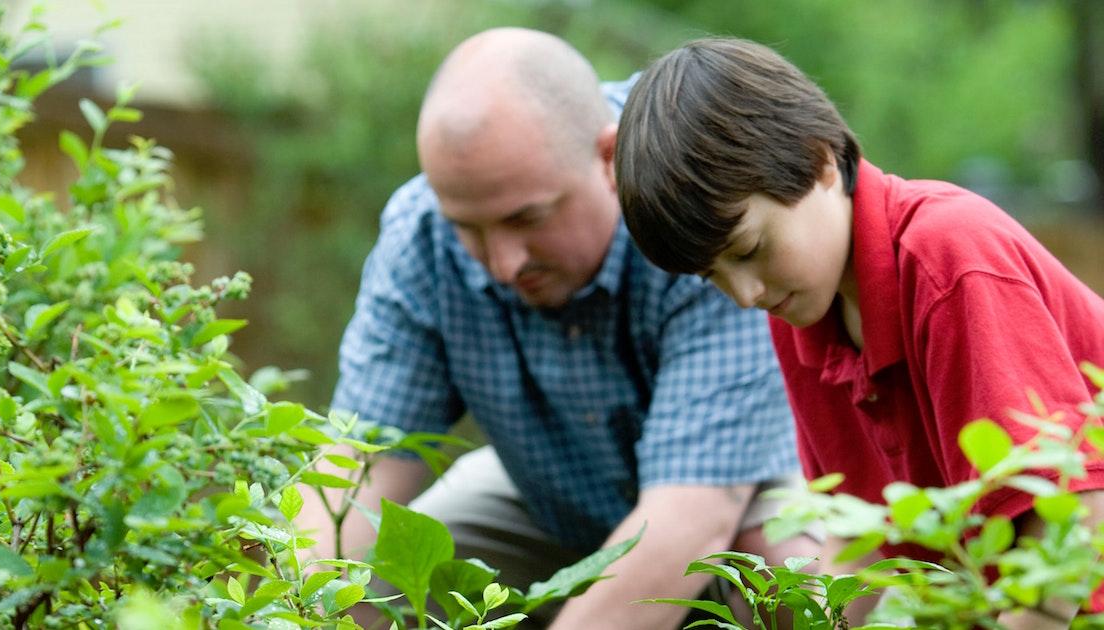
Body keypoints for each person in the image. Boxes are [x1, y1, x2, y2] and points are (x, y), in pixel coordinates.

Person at [296, 28, 817, 629]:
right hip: (548, 495)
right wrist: (292, 608)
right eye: (471, 227)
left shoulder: (692, 200)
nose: (503, 262)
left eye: (527, 218)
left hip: (738, 485)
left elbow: (689, 521)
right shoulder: (422, 237)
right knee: (389, 578)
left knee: (791, 588)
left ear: (607, 157)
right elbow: (359, 468)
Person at [614, 37, 1104, 625]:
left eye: (749, 249)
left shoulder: (947, 258)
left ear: (820, 162)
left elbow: (1075, 514)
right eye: (710, 276)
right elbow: (860, 546)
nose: (745, 295)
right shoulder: (801, 316)